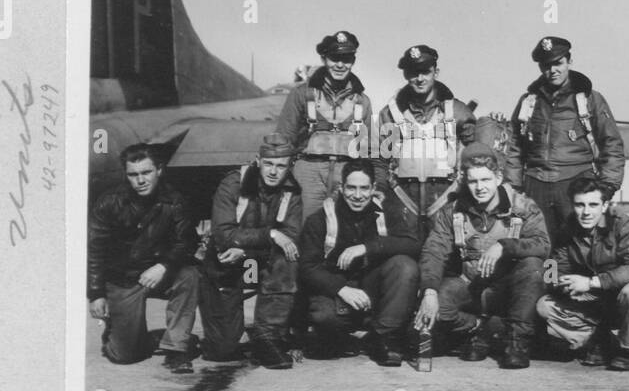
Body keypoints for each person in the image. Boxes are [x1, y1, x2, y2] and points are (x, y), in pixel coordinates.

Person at [414, 143, 549, 369]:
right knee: (437, 305)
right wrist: (429, 291)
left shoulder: (522, 206)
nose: (480, 188)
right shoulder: (453, 210)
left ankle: (517, 341)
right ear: (465, 181)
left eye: (485, 180)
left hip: (508, 288)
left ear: (497, 178)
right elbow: (434, 250)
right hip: (471, 284)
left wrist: (505, 246)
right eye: (473, 181)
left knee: (534, 266)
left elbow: (543, 245)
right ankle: (478, 328)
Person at [503, 36, 625, 246]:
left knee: (579, 247)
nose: (553, 70)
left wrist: (607, 186)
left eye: (558, 63)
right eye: (546, 65)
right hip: (536, 184)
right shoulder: (528, 102)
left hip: (576, 182)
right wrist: (513, 189)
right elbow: (515, 148)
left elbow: (612, 144)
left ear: (569, 61)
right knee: (538, 245)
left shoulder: (589, 99)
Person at [87, 144, 200, 372]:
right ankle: (128, 333)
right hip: (123, 279)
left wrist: (164, 264)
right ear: (126, 175)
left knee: (189, 275)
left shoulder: (175, 201)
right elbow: (95, 249)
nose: (140, 180)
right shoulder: (109, 202)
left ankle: (176, 349)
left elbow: (186, 242)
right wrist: (96, 293)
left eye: (146, 172)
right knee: (125, 355)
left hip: (158, 273)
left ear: (159, 170)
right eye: (133, 175)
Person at [298, 161, 422, 366]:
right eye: (351, 188)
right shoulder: (320, 219)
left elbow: (413, 245)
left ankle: (382, 337)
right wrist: (341, 289)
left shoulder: (386, 212)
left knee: (405, 266)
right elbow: (307, 268)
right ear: (341, 188)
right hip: (337, 292)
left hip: (373, 289)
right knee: (324, 317)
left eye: (364, 188)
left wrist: (368, 247)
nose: (357, 195)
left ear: (373, 189)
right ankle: (341, 339)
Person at [198, 134, 302, 369]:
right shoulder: (233, 184)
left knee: (288, 256)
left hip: (254, 262)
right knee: (222, 350)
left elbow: (292, 238)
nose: (274, 172)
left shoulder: (291, 192)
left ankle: (267, 336)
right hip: (227, 264)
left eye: (281, 165)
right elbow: (223, 234)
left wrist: (245, 250)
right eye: (269, 164)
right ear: (258, 161)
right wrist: (271, 235)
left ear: (289, 166)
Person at [536, 174, 629, 371]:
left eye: (593, 205)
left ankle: (627, 348)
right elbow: (554, 265)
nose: (586, 212)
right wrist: (560, 282)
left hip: (620, 299)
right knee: (544, 306)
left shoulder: (624, 225)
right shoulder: (567, 228)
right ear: (572, 205)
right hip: (590, 301)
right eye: (580, 205)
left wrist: (592, 282)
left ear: (605, 205)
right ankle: (599, 341)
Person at [376, 44, 476, 243]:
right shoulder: (390, 114)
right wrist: (379, 191)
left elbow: (476, 156)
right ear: (406, 75)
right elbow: (380, 160)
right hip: (402, 203)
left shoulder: (458, 112)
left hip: (446, 201)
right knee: (403, 260)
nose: (420, 79)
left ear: (435, 72)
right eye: (413, 73)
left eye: (425, 72)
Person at [274, 29, 375, 216]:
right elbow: (283, 138)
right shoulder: (302, 94)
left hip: (347, 175)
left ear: (353, 62)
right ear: (324, 59)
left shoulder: (363, 101)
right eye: (334, 58)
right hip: (308, 173)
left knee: (344, 230)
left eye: (346, 59)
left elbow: (367, 150)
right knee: (305, 227)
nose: (339, 64)